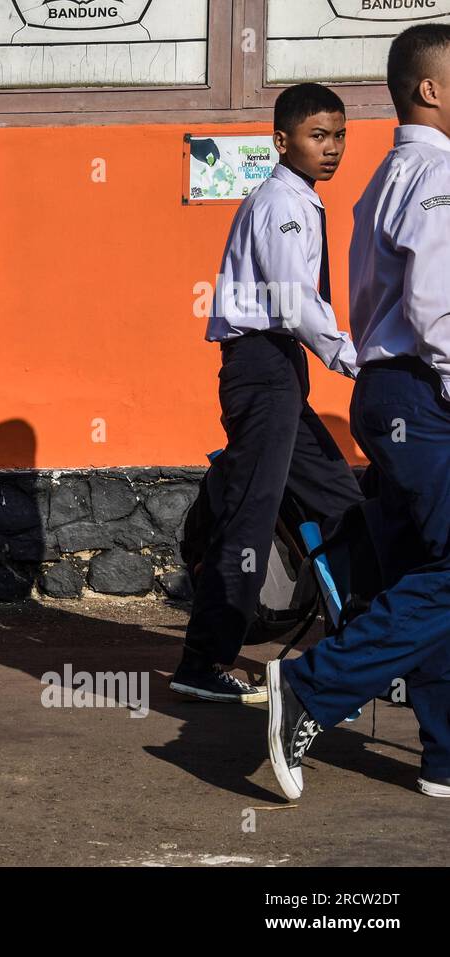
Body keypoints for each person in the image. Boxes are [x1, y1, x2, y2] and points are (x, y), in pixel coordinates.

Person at [268, 25, 450, 800]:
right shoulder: (438, 176)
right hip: (424, 390)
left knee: (424, 571)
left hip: (387, 392)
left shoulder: (384, 175)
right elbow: (438, 305)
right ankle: (312, 686)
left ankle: (443, 754)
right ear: (432, 89)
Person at [172, 83, 363, 703]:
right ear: (281, 142)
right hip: (262, 368)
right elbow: (291, 299)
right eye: (318, 136)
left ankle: (367, 648)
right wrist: (349, 357)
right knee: (250, 519)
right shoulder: (279, 204)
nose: (331, 148)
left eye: (338, 136)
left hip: (281, 372)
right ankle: (203, 663)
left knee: (342, 502)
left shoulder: (302, 202)